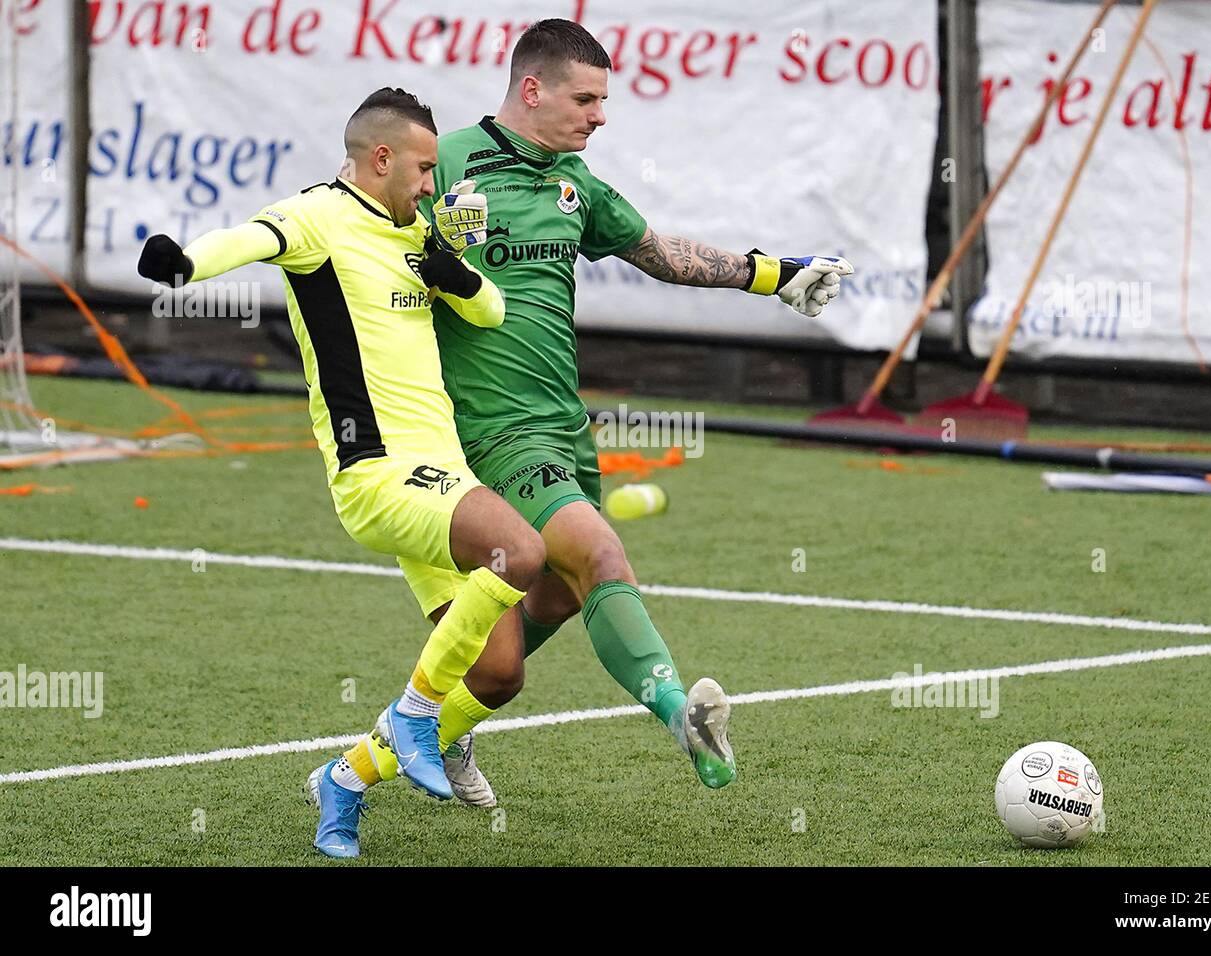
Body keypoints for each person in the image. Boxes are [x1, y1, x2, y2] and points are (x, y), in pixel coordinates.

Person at [359, 19, 854, 807]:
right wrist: (422, 253)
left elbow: (657, 251)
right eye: (585, 98)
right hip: (488, 434)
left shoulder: (572, 185)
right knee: (601, 557)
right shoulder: (442, 161)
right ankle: (678, 711)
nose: (600, 115)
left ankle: (432, 727)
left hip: (564, 426)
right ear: (532, 89)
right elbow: (353, 230)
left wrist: (773, 275)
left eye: (604, 100)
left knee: (532, 625)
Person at [137, 88, 545, 858]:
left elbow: (491, 312)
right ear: (381, 158)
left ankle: (347, 780)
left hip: (441, 473)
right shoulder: (318, 217)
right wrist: (186, 264)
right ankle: (416, 717)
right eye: (424, 169)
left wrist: (453, 276)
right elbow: (246, 239)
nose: (432, 184)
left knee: (497, 674)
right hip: (378, 472)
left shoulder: (418, 229)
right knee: (520, 554)